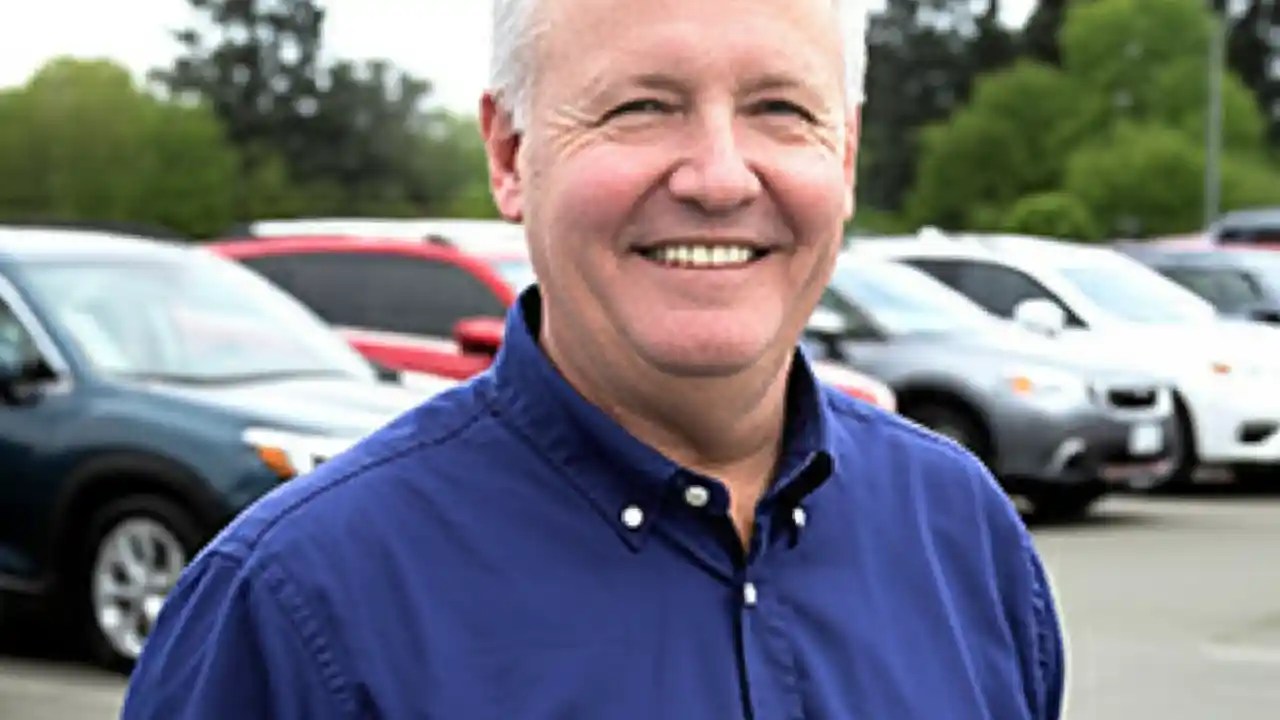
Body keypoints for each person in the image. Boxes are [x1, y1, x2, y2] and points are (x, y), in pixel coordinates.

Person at [121, 0, 1066, 717]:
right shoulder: (296, 605)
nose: (719, 177)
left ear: (847, 156)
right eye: (641, 108)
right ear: (509, 153)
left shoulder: (962, 538)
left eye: (779, 108)